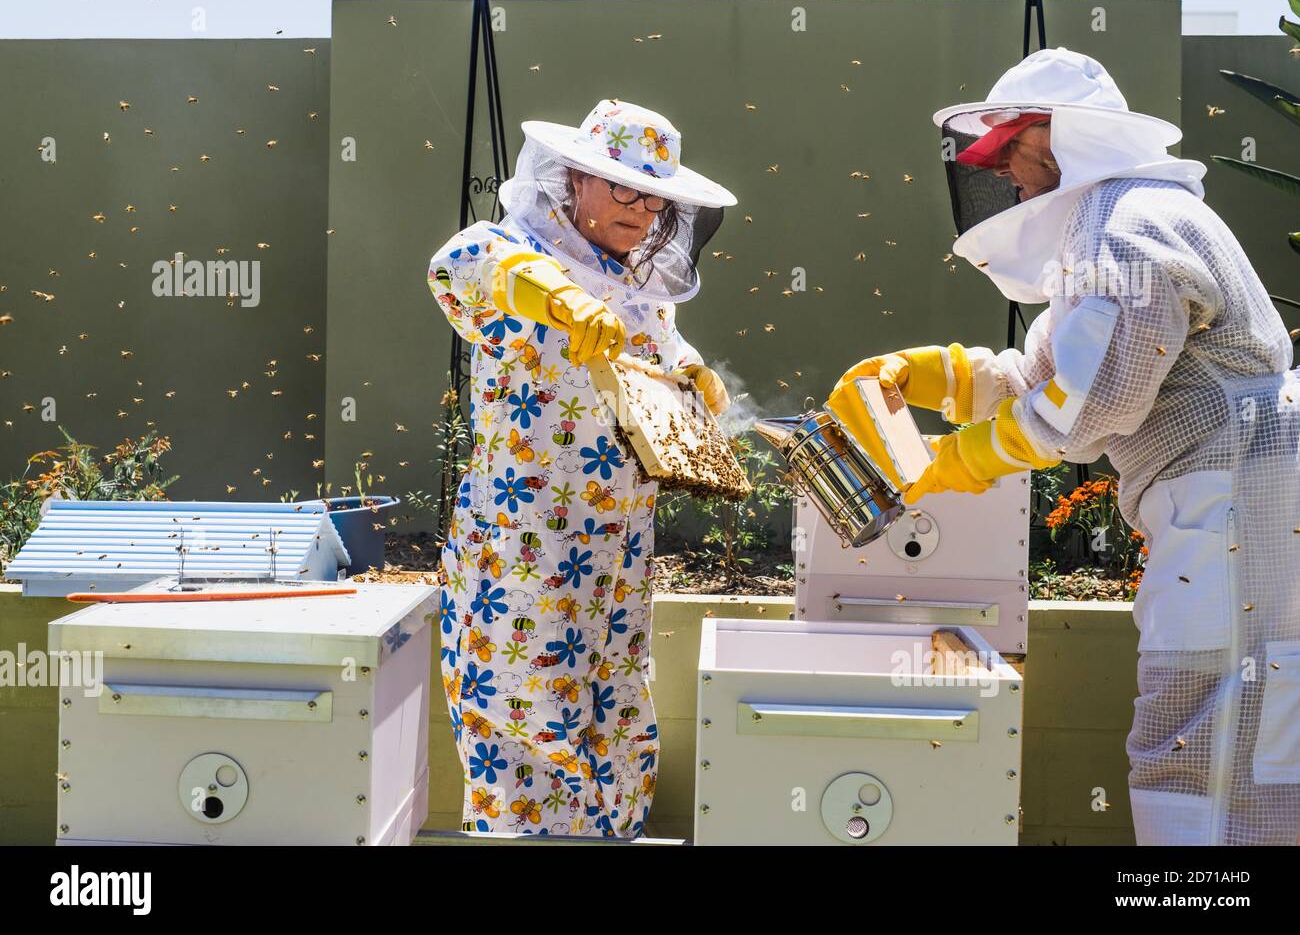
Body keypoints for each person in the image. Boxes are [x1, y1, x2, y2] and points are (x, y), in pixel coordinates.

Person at [831, 48, 1300, 845]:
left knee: (1204, 733)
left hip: (1234, 505)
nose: (1007, 184)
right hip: (1231, 502)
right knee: (1235, 728)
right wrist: (931, 375)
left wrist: (955, 461)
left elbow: (1090, 407)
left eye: (1008, 159)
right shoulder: (1117, 219)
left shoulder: (1128, 227)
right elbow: (1045, 377)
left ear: (1054, 140)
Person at [427, 99, 735, 837]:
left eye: (656, 195)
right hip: (526, 545)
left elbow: (655, 351)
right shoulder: (511, 247)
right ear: (574, 181)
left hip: (617, 549)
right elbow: (459, 265)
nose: (643, 208)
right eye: (624, 188)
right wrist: (555, 297)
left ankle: (610, 832)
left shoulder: (637, 280)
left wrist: (693, 374)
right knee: (524, 700)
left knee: (615, 704)